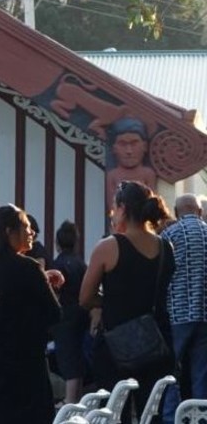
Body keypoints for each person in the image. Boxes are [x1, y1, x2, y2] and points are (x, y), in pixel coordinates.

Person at [81, 180, 175, 424]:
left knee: (114, 412)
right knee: (150, 412)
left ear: (122, 208)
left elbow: (85, 298)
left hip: (115, 343)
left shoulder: (109, 246)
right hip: (155, 341)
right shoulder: (166, 247)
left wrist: (106, 301)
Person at [0, 204, 62, 424]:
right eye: (26, 226)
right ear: (9, 231)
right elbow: (54, 313)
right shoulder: (29, 268)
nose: (31, 232)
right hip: (26, 358)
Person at [162, 193, 207, 411]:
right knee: (202, 372)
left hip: (177, 313)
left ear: (177, 212)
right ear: (200, 212)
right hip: (205, 314)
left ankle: (172, 416)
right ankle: (201, 415)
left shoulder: (170, 234)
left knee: (172, 371)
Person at [52, 220, 90, 406]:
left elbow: (55, 293)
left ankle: (70, 399)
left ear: (57, 243)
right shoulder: (80, 263)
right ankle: (77, 397)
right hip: (82, 312)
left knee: (68, 357)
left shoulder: (58, 264)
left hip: (65, 315)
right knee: (77, 355)